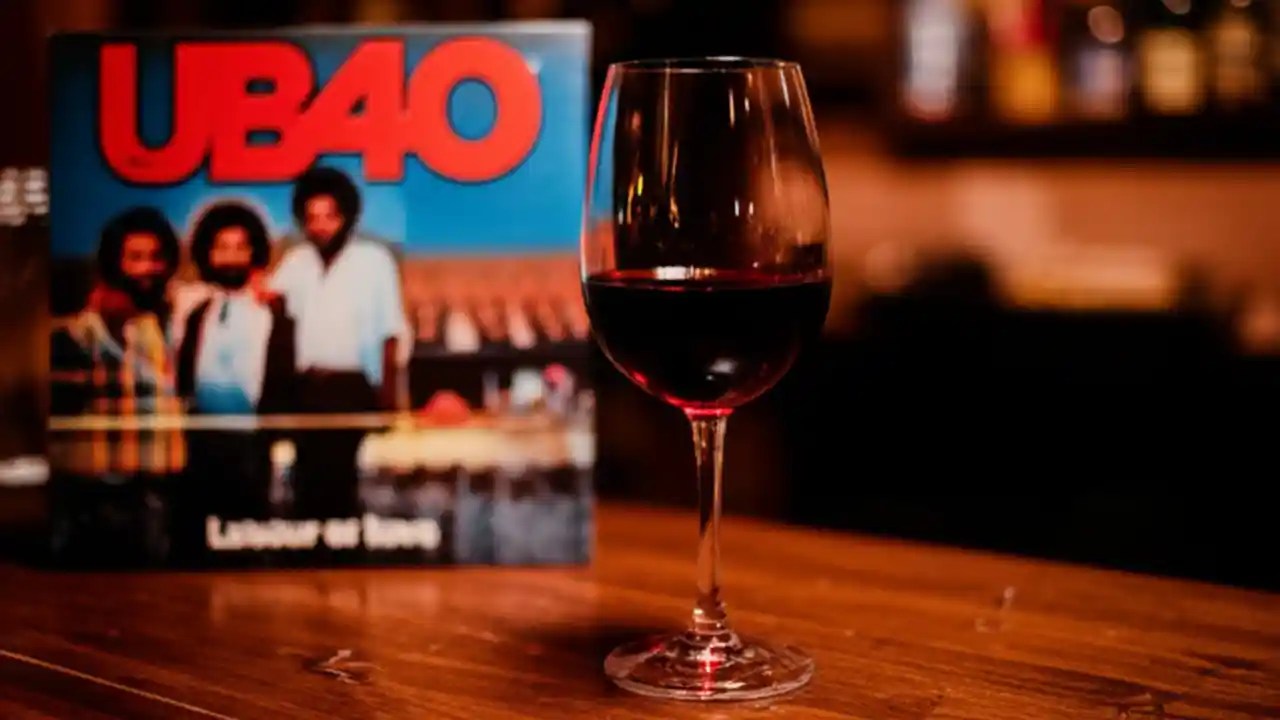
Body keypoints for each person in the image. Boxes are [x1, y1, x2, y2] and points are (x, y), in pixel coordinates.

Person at [269, 166, 410, 519]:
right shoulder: (295, 262)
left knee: (343, 479)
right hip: (305, 389)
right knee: (305, 480)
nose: (320, 226)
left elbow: (390, 333)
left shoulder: (374, 261)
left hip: (352, 387)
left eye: (329, 216)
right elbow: (269, 308)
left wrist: (389, 402)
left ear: (347, 216)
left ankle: (345, 556)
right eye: (312, 217)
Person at [171, 202, 294, 541]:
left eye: (241, 248)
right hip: (201, 443)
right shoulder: (197, 312)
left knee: (247, 534)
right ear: (206, 254)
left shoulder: (272, 312)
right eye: (222, 248)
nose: (231, 258)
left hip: (250, 444)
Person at [51, 206, 186, 478]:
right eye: (135, 257)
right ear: (114, 262)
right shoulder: (87, 328)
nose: (147, 268)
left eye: (156, 257)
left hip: (164, 475)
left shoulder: (174, 315)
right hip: (104, 479)